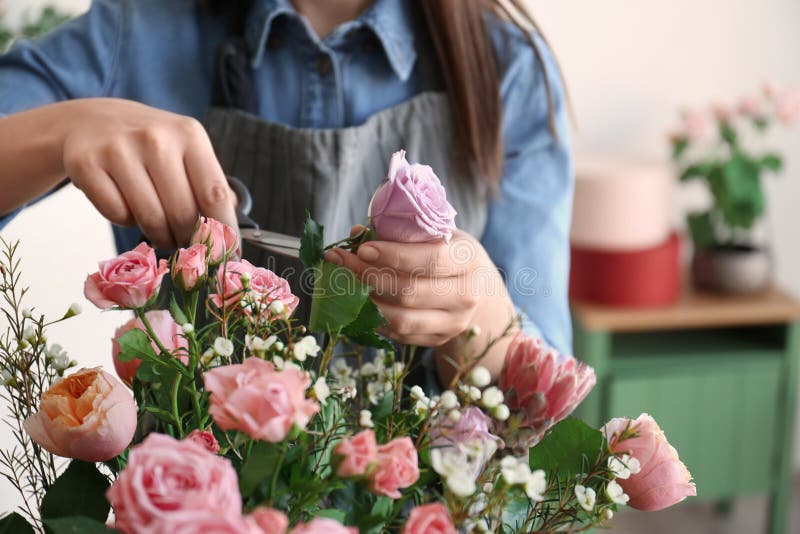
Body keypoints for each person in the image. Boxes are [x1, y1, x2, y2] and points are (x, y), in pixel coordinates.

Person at [0, 0, 573, 385]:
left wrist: (480, 314)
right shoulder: (137, 33)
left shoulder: (507, 68)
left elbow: (547, 399)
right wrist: (63, 129)